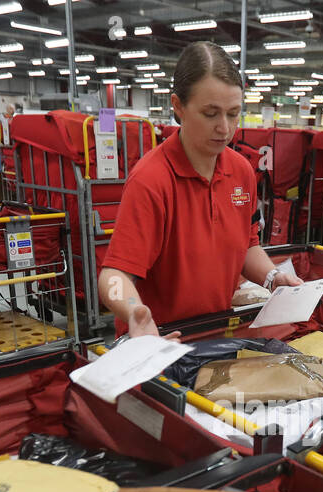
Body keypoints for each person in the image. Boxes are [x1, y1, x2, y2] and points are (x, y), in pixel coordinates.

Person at [98, 41, 304, 338]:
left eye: (233, 114)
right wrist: (134, 311)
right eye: (211, 114)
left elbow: (247, 246)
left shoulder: (242, 171)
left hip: (217, 334)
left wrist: (273, 278)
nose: (224, 128)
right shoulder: (151, 180)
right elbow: (113, 275)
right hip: (161, 343)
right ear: (178, 106)